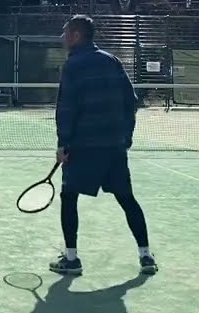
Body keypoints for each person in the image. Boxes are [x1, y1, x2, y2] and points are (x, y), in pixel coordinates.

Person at [49, 15, 157, 277]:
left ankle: (72, 259)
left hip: (83, 148)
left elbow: (66, 109)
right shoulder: (112, 61)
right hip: (114, 147)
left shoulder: (72, 66)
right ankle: (145, 256)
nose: (62, 38)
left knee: (68, 197)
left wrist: (63, 143)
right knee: (126, 199)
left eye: (65, 33)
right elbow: (131, 101)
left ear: (76, 35)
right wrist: (126, 137)